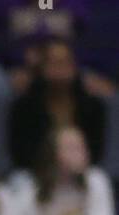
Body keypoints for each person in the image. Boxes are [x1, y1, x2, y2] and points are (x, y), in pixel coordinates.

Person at [9, 126, 119, 215]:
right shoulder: (29, 193)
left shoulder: (96, 182)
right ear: (52, 154)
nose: (83, 153)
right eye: (72, 148)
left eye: (83, 146)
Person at [8, 39, 108, 174]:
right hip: (35, 174)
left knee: (98, 178)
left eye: (64, 63)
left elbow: (96, 151)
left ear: (74, 66)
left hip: (81, 173)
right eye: (54, 63)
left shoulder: (92, 106)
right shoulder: (24, 107)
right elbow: (19, 153)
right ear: (42, 67)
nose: (60, 70)